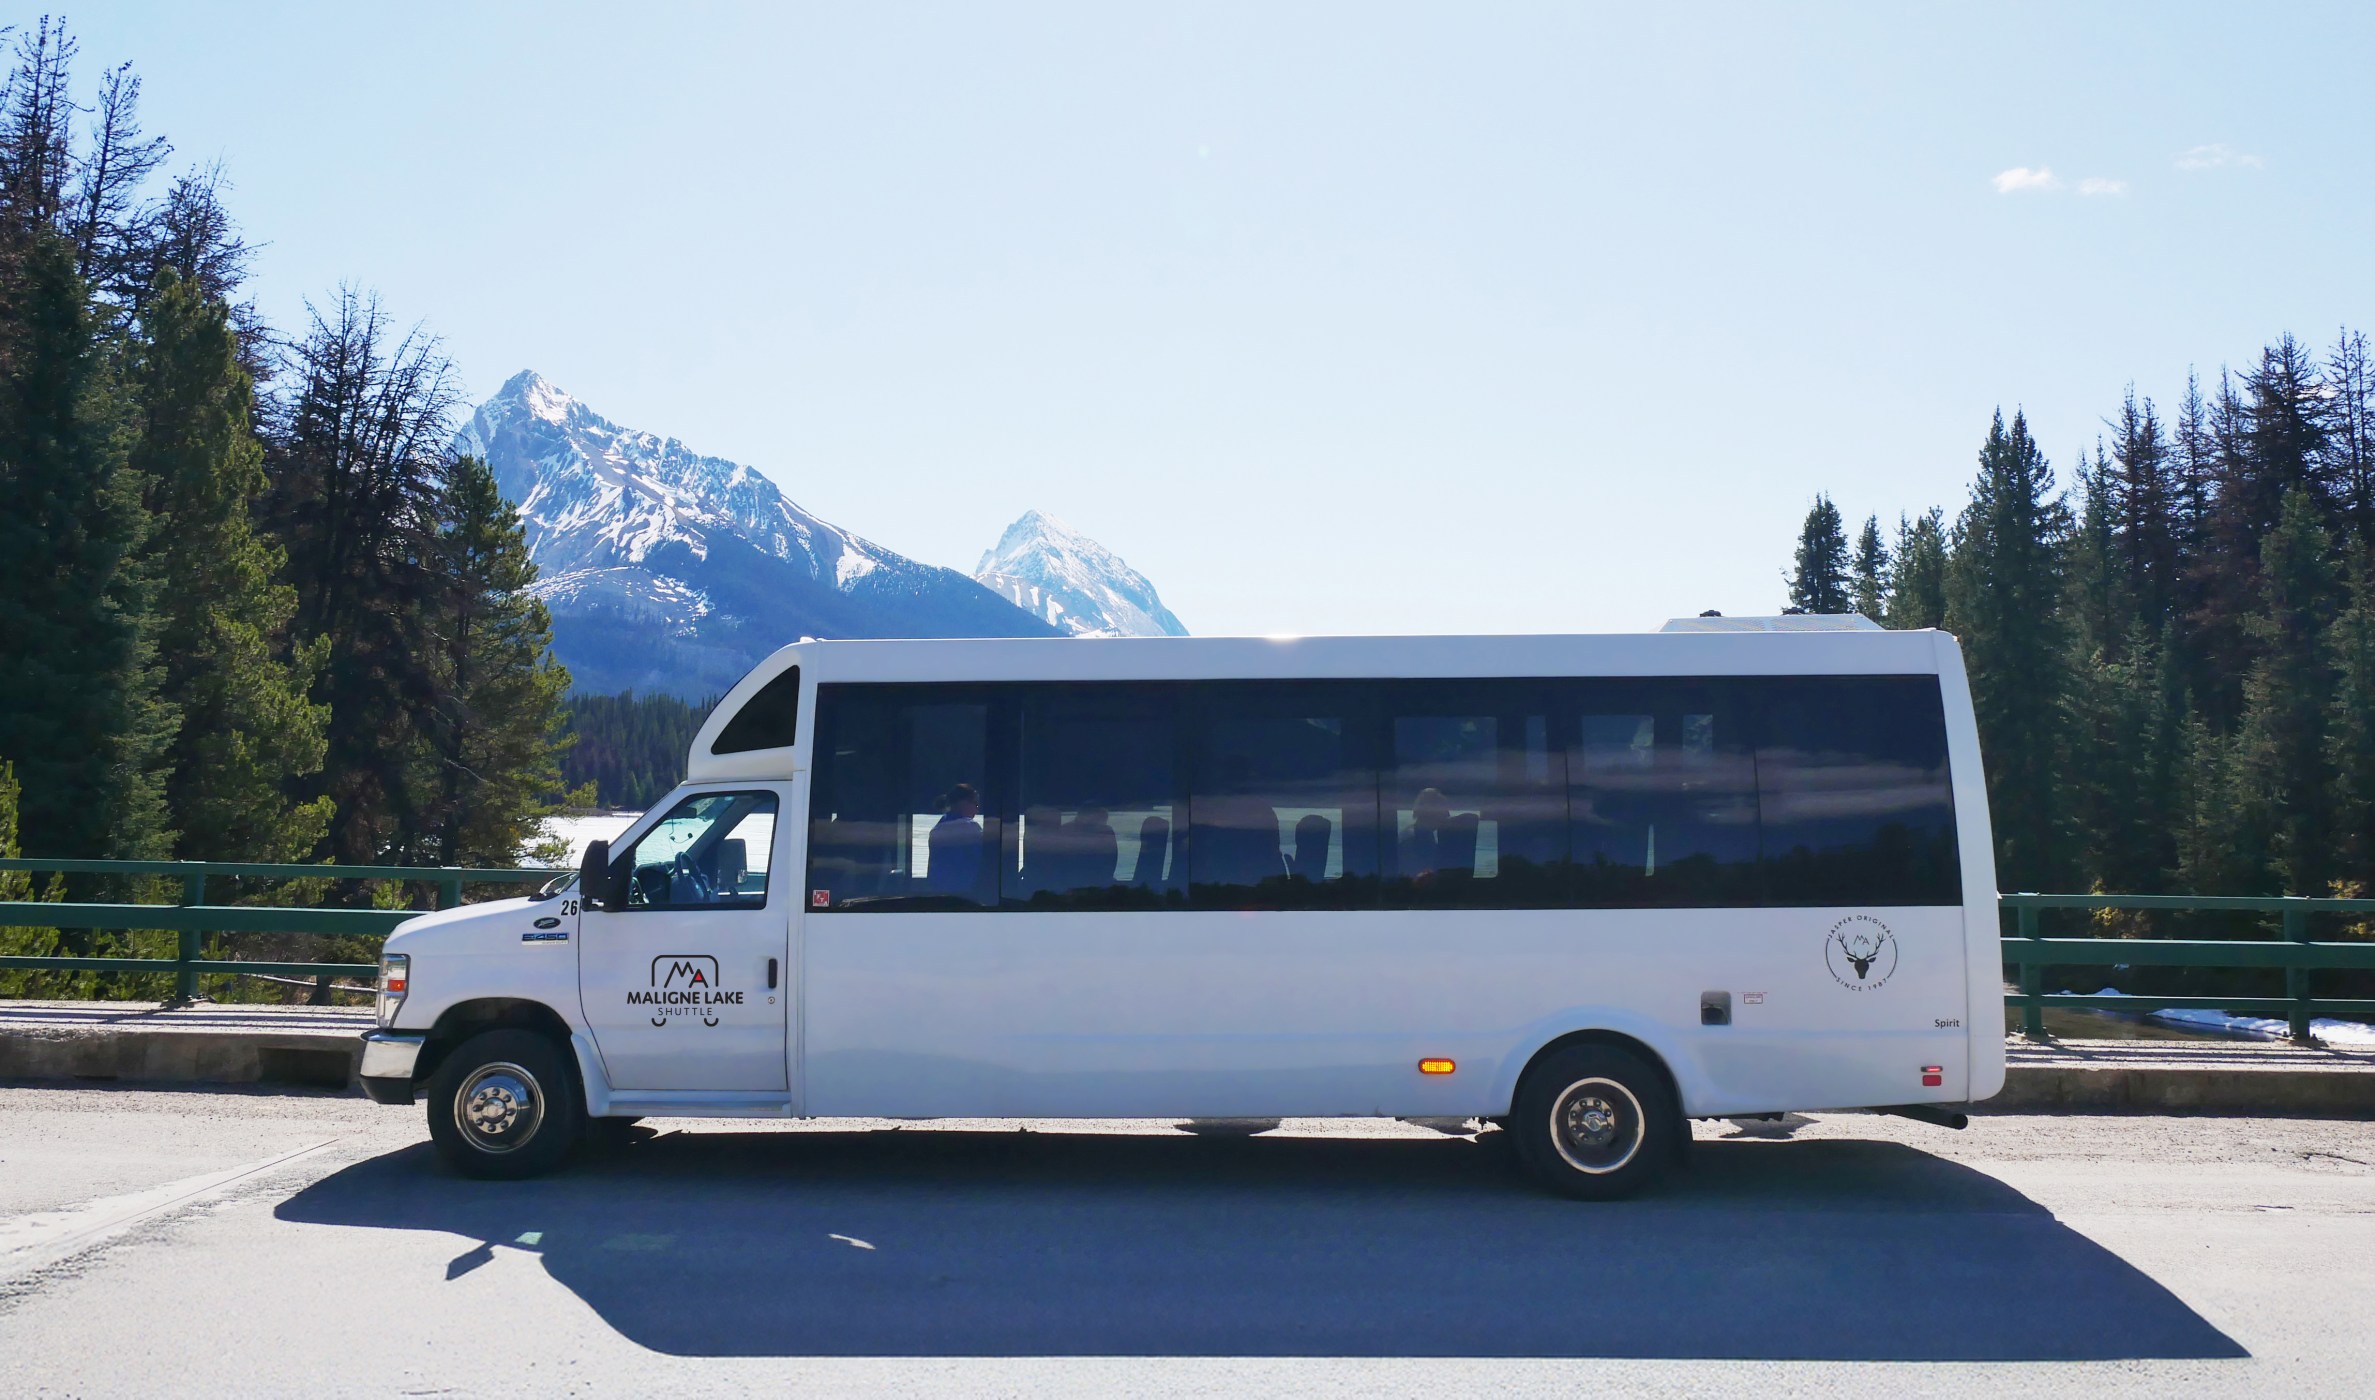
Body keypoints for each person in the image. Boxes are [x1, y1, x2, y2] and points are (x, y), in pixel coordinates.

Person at [927, 783, 984, 897]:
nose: (977, 809)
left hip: (939, 892)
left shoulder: (937, 828)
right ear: (964, 803)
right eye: (975, 804)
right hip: (965, 894)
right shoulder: (970, 828)